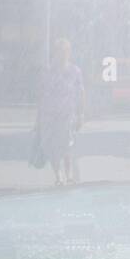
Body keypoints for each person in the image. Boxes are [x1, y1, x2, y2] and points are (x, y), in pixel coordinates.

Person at [34, 38, 85, 187]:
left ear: (69, 53)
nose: (62, 55)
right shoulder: (47, 71)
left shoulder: (75, 71)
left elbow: (81, 93)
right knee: (52, 146)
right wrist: (38, 120)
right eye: (59, 52)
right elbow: (41, 96)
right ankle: (58, 174)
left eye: (65, 52)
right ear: (55, 53)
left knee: (66, 145)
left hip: (67, 115)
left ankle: (68, 174)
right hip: (49, 116)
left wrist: (81, 114)